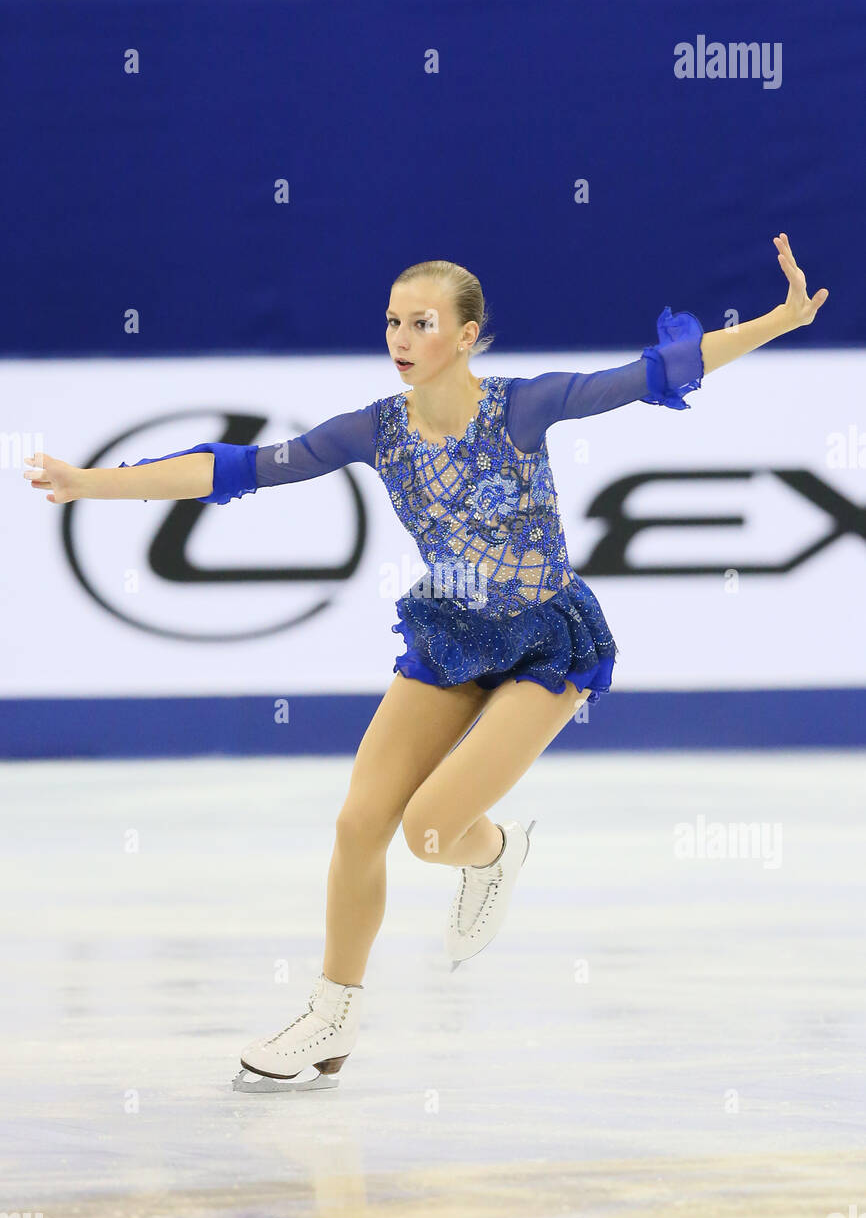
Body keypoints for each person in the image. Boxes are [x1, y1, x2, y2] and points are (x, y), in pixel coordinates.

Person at [24, 234, 827, 1091]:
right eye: (392, 322)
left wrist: (778, 320)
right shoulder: (377, 430)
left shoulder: (523, 408)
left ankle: (493, 853)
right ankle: (331, 1013)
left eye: (422, 322)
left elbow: (655, 373)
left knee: (429, 831)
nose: (401, 338)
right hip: (449, 635)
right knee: (356, 824)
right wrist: (89, 482)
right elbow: (239, 468)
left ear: (469, 335)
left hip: (543, 642)